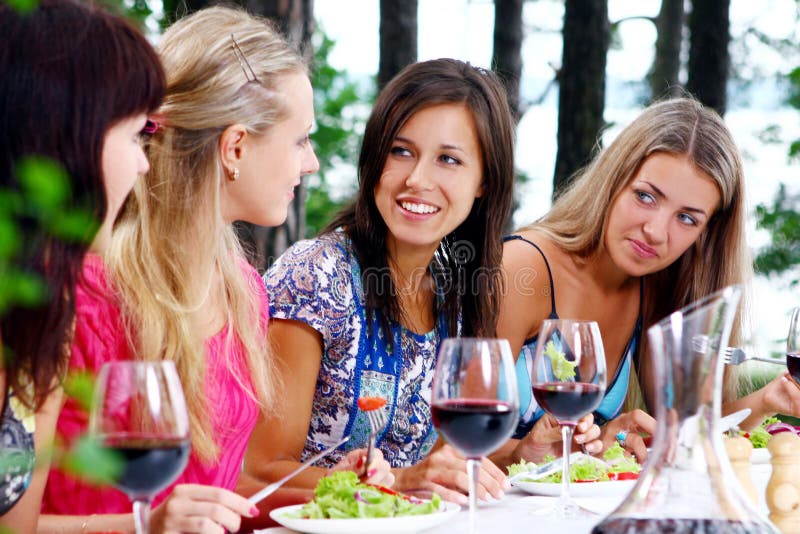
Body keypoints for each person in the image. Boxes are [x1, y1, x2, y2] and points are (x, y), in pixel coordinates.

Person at [39, 6, 391, 533]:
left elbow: (219, 497)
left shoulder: (244, 292)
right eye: (300, 139)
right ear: (236, 147)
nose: (312, 162)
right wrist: (139, 527)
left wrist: (330, 491)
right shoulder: (83, 295)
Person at [245, 58, 602, 505]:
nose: (417, 179)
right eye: (401, 151)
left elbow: (434, 464)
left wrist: (521, 453)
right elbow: (256, 475)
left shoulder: (457, 296)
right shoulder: (316, 277)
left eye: (448, 159)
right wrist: (398, 481)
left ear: (484, 183)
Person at [498, 96, 800, 462]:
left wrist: (768, 400)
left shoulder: (651, 286)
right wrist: (524, 453)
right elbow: (444, 445)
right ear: (615, 178)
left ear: (706, 233)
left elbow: (682, 431)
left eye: (687, 219)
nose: (656, 232)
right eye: (645, 196)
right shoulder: (522, 268)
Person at [0, 1, 165, 531]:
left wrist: (147, 525)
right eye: (134, 133)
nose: (144, 162)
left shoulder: (44, 306)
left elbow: (15, 524)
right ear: (62, 132)